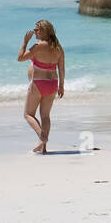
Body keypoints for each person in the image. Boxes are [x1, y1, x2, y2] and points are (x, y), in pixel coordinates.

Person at [17, 20, 65, 154]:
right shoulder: (58, 48)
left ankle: (42, 137)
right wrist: (61, 86)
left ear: (44, 31)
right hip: (53, 85)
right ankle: (43, 147)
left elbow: (20, 58)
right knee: (45, 116)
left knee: (28, 114)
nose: (35, 32)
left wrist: (25, 42)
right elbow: (61, 68)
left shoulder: (38, 46)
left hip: (38, 83)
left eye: (37, 30)